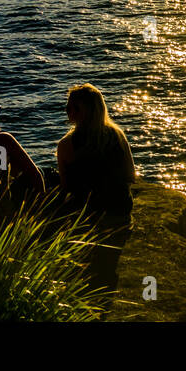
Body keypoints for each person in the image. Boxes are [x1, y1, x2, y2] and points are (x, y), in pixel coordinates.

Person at [56, 83, 136, 293]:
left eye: (72, 108)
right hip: (119, 211)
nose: (69, 113)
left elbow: (66, 187)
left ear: (82, 113)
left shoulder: (66, 145)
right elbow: (130, 175)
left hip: (88, 216)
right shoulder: (118, 136)